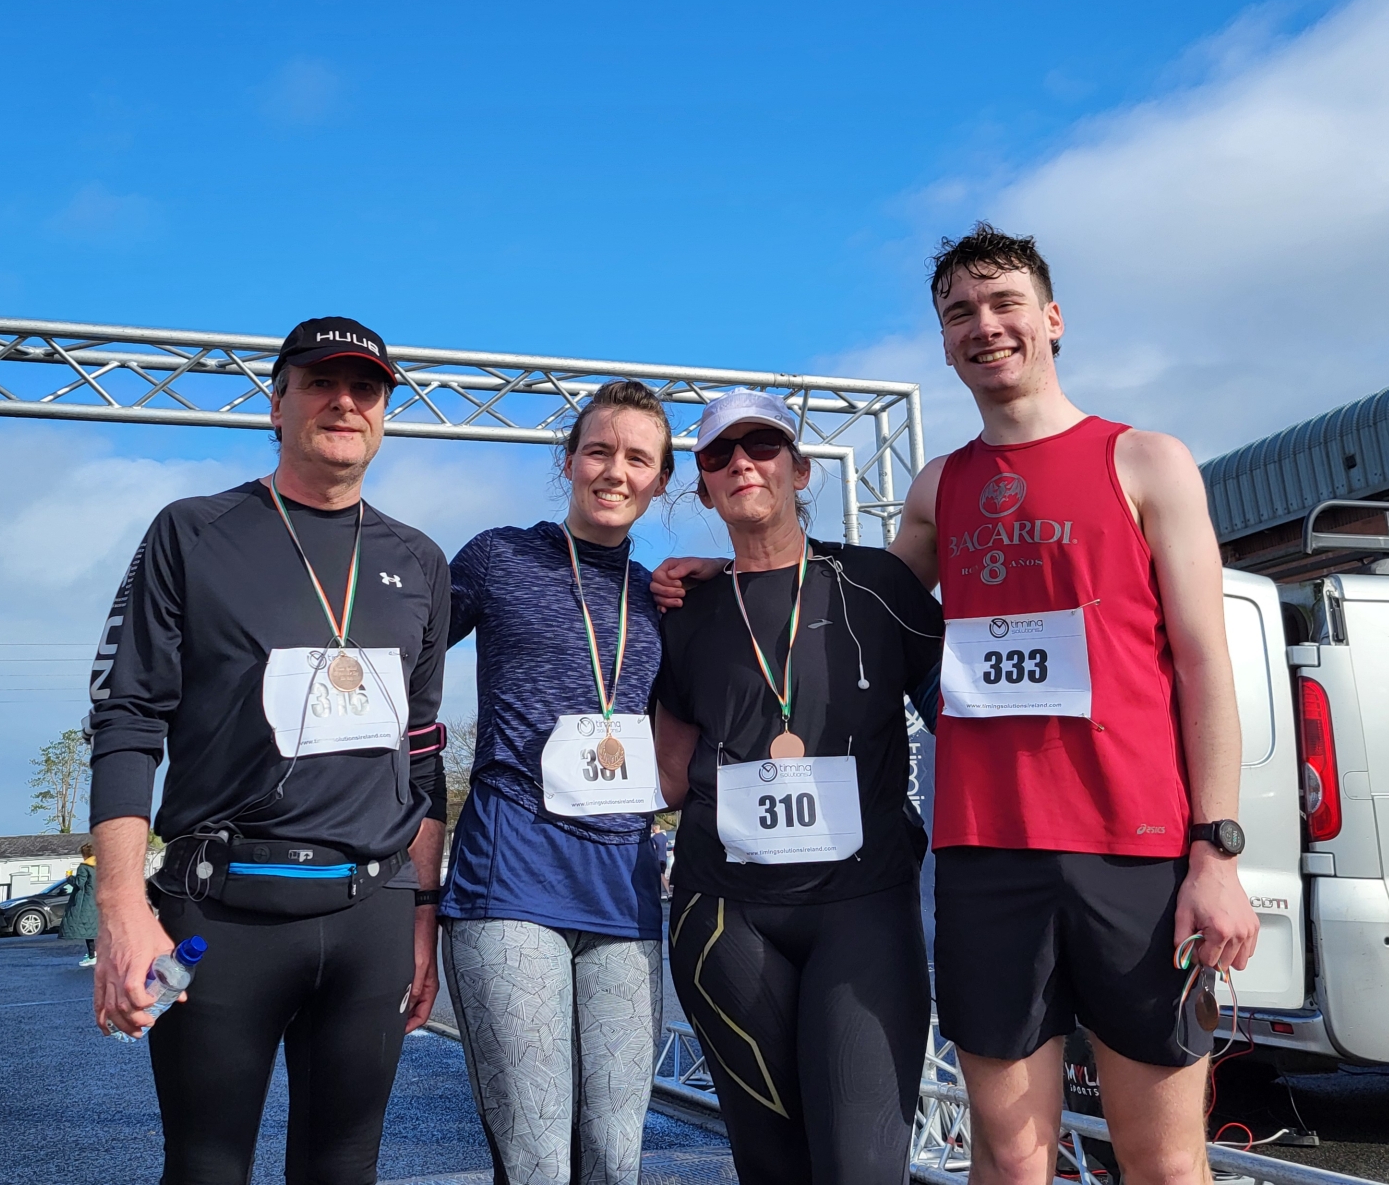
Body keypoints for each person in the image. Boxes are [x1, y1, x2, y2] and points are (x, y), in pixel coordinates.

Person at [660, 226, 1260, 1185]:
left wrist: (1217, 850)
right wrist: (730, 574)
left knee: (1162, 1161)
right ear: (943, 343)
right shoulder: (942, 488)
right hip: (987, 857)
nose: (985, 327)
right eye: (959, 314)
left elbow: (1203, 664)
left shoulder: (1146, 461)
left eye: (1004, 303)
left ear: (1051, 318)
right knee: (1011, 1157)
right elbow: (840, 604)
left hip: (1134, 850)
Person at [88, 315, 450, 1185]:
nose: (344, 402)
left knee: (345, 1168)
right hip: (218, 919)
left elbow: (425, 757)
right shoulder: (192, 532)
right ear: (276, 403)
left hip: (370, 916)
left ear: (385, 415)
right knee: (206, 1167)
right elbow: (127, 717)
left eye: (365, 389)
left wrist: (422, 919)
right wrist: (121, 908)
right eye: (320, 383)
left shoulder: (420, 561)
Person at [652, 390, 944, 1185]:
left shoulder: (877, 584)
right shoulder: (682, 610)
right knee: (772, 1164)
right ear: (704, 486)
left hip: (863, 908)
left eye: (763, 447)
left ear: (800, 469)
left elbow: (963, 715)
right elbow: (671, 779)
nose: (743, 463)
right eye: (720, 456)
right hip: (725, 920)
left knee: (860, 1167)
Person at [440, 378, 673, 1185]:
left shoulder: (662, 597)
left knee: (616, 1159)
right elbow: (398, 652)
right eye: (599, 451)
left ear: (662, 480)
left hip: (626, 886)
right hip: (513, 876)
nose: (615, 471)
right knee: (537, 1161)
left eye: (638, 458)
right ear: (568, 462)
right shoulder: (499, 556)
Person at [59, 842, 99, 967]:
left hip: (86, 901)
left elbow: (79, 884)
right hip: (98, 900)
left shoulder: (84, 867)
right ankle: (96, 954)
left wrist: (69, 877)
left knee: (87, 930)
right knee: (95, 928)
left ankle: (92, 956)